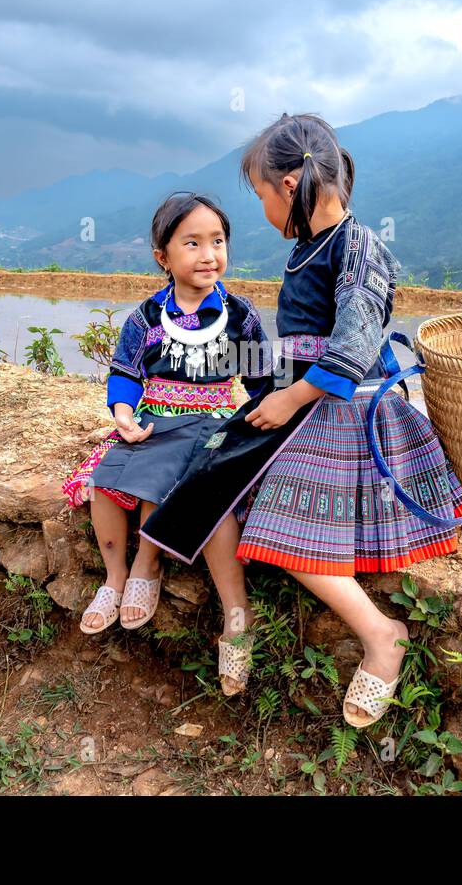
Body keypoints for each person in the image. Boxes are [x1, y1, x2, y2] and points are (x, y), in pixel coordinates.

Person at [141, 115, 462, 726]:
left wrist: (288, 401)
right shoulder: (306, 251)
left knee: (286, 531)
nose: (264, 207)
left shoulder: (359, 245)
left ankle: (381, 635)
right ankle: (218, 609)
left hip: (349, 410)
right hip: (302, 402)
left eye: (263, 193)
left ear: (289, 184)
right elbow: (293, 349)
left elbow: (347, 348)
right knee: (213, 467)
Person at [61, 191, 270, 694]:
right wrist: (123, 414)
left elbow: (264, 381)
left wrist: (268, 420)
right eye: (192, 243)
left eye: (217, 242)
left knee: (209, 498)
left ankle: (236, 618)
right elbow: (125, 374)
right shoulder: (146, 319)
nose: (208, 255)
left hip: (217, 426)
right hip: (157, 423)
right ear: (164, 257)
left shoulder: (240, 316)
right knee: (108, 480)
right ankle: (119, 577)